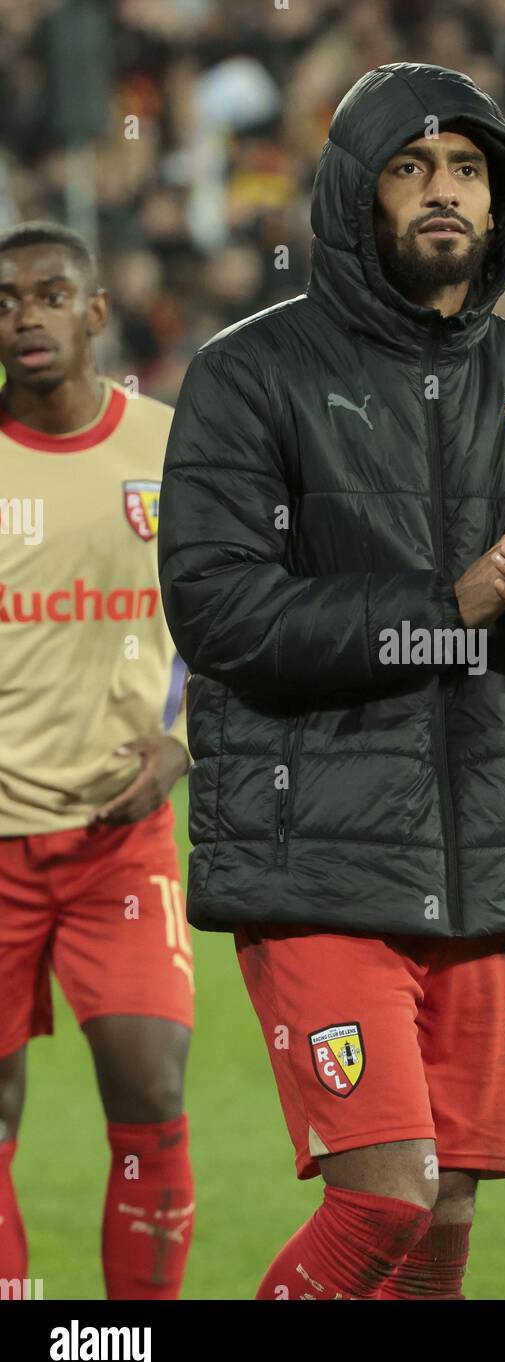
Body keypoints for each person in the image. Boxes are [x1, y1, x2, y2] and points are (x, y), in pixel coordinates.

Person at [158, 62, 505, 1301]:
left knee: (447, 1217)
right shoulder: (245, 375)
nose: (442, 193)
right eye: (410, 167)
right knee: (385, 1195)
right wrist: (450, 604)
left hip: (476, 850)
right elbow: (219, 613)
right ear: (354, 194)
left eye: (467, 170)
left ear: (500, 199)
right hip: (308, 844)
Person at [0, 223, 195, 1300]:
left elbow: (240, 622)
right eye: (2, 300)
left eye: (47, 294)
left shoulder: (170, 450)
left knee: (151, 1087)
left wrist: (184, 744)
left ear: (93, 312)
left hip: (119, 839)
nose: (24, 315)